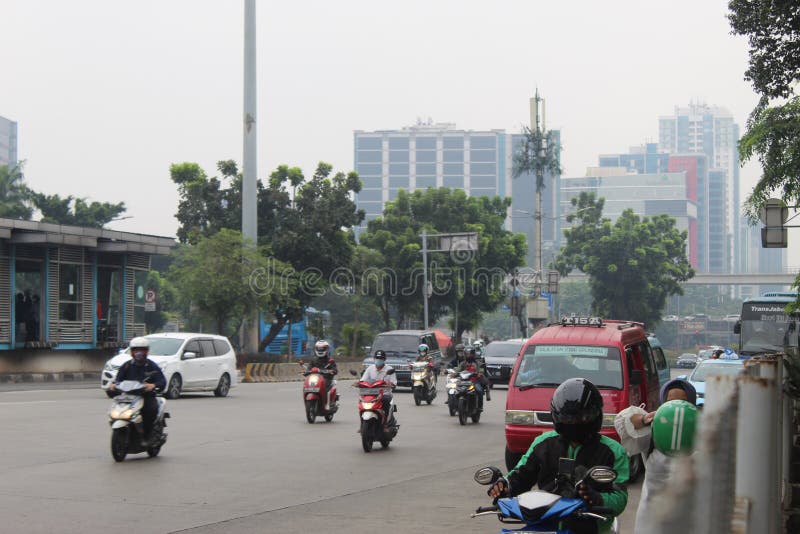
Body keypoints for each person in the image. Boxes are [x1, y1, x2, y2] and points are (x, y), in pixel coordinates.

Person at [489, 378, 629, 534]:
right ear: (556, 416)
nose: (573, 423)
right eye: (567, 418)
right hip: (543, 523)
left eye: (581, 418)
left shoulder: (613, 451)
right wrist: (505, 487)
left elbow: (619, 496)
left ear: (596, 415)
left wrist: (596, 498)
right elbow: (522, 474)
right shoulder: (543, 443)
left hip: (591, 526)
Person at [619, 378, 697, 534]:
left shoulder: (702, 430)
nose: (676, 406)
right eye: (670, 401)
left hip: (690, 518)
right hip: (652, 519)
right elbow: (623, 421)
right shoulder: (653, 430)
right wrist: (645, 419)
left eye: (682, 401)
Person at [109, 337, 167, 445]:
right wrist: (113, 385)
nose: (138, 353)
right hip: (129, 397)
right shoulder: (126, 366)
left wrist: (153, 385)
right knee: (116, 411)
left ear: (147, 351)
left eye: (142, 350)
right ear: (131, 351)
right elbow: (118, 380)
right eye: (136, 350)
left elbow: (162, 381)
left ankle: (148, 436)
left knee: (150, 411)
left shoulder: (151, 366)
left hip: (147, 397)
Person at [360, 350, 398, 426]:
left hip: (385, 394)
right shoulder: (370, 368)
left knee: (386, 401)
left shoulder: (389, 369)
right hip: (371, 393)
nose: (379, 360)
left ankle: (386, 423)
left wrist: (389, 384)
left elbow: (394, 383)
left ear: (384, 359)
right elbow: (363, 380)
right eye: (377, 358)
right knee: (361, 402)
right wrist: (358, 383)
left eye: (381, 358)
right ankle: (362, 424)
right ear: (374, 358)